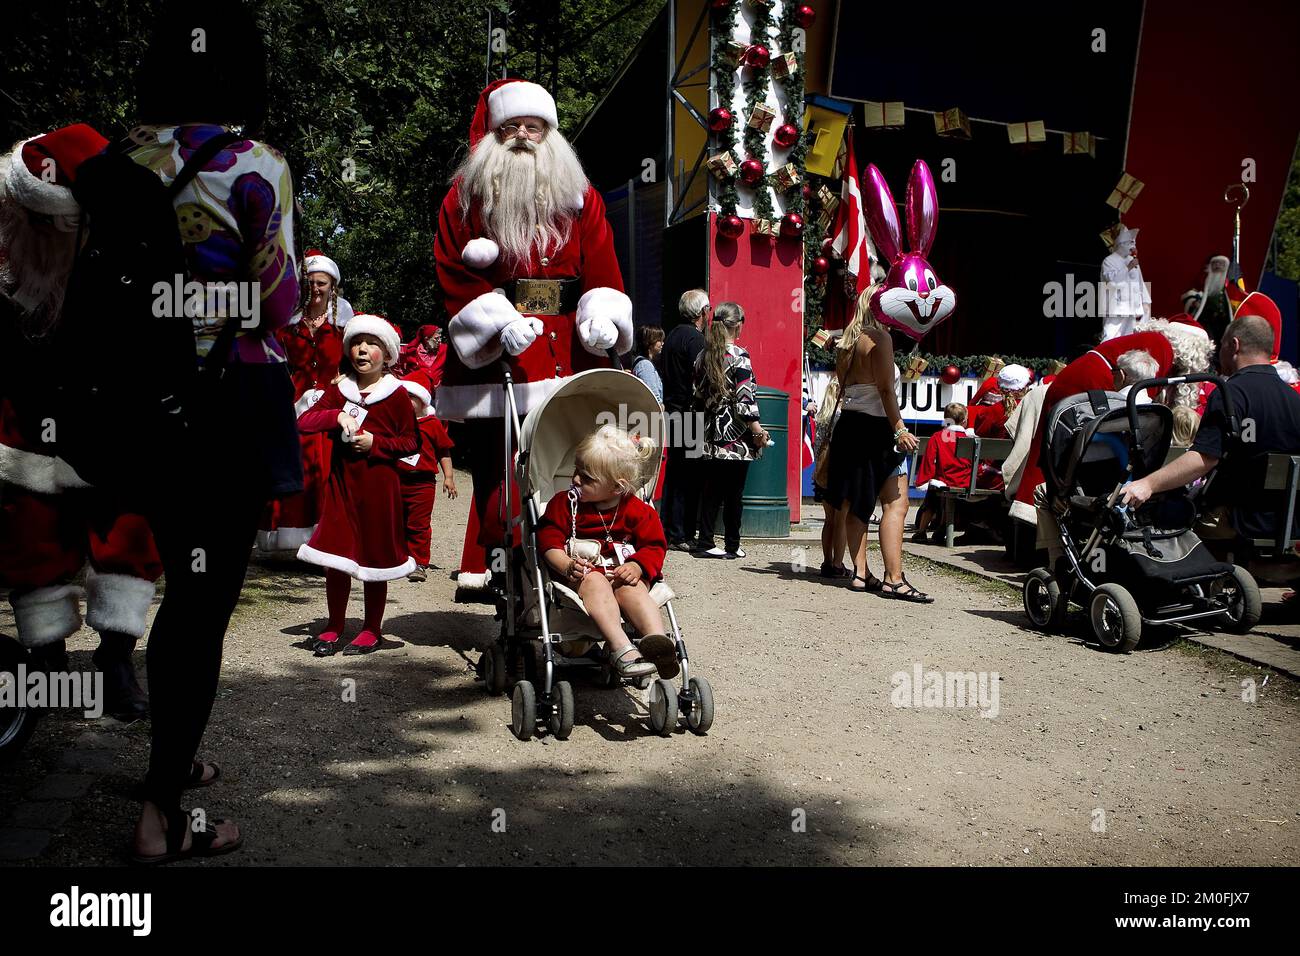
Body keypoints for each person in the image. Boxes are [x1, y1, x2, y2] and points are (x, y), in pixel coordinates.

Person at [113, 2, 304, 864]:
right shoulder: (256, 165)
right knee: (201, 606)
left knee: (175, 588)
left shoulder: (119, 162)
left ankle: (177, 760)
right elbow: (283, 300)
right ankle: (160, 820)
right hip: (228, 404)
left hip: (138, 405)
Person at [432, 78, 632, 592]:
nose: (523, 136)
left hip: (569, 351)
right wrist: (497, 323)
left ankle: (565, 569)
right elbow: (454, 271)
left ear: (551, 133)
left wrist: (602, 313)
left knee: (573, 466)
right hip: (502, 362)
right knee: (501, 481)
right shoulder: (464, 197)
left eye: (534, 127)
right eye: (512, 127)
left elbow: (603, 265)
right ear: (495, 135)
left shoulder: (579, 196)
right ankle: (507, 575)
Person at [0, 124, 161, 723]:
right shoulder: (9, 255)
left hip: (111, 419)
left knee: (127, 532)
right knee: (32, 536)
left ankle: (117, 656)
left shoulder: (125, 250)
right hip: (27, 421)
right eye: (36, 222)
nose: (48, 235)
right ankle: (44, 658)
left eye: (57, 223)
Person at [296, 317, 419, 654]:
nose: (362, 349)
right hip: (340, 487)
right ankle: (334, 625)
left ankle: (371, 629)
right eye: (356, 342)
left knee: (374, 557)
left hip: (380, 490)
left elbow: (411, 443)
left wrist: (375, 444)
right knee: (335, 555)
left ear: (388, 353)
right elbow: (305, 421)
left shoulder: (395, 395)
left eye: (372, 343)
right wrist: (335, 416)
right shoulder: (340, 390)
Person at [1121, 315, 1300, 544]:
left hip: (1233, 521)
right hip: (1287, 523)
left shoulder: (1230, 394)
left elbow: (1203, 459)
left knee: (1164, 513)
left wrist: (1148, 484)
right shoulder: (1294, 401)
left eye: (1222, 345)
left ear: (1234, 345)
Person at [535, 425, 677, 679]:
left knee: (633, 590)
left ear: (616, 488)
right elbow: (548, 542)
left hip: (623, 573)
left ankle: (657, 643)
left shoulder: (638, 511)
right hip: (583, 575)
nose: (576, 479)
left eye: (587, 478)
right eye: (576, 471)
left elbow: (654, 545)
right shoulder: (564, 504)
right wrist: (567, 565)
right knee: (595, 582)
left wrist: (638, 566)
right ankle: (621, 648)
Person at [825, 288, 930, 601]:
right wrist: (899, 430)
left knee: (860, 503)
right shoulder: (880, 339)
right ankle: (894, 578)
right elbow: (886, 390)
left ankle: (860, 572)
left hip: (850, 427)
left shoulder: (847, 343)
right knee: (896, 504)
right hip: (876, 429)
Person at [257, 250, 351, 555]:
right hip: (291, 402)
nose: (315, 288)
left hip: (331, 403)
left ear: (332, 286)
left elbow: (357, 359)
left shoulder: (344, 323)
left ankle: (325, 541)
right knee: (293, 465)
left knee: (326, 472)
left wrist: (344, 380)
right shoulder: (288, 322)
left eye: (321, 282)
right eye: (310, 281)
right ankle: (289, 541)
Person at [692, 302, 768, 559]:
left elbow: (698, 395)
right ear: (738, 325)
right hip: (736, 436)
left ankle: (704, 542)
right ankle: (732, 546)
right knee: (734, 493)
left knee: (710, 490)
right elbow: (745, 399)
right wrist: (757, 432)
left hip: (710, 433)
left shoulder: (702, 356)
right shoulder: (739, 356)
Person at [661, 289, 710, 550]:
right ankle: (681, 533)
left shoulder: (671, 337)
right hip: (690, 413)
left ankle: (670, 528)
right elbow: (702, 378)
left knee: (676, 471)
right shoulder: (696, 340)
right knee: (689, 476)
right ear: (702, 312)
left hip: (673, 411)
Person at [397, 375, 457, 582]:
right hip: (396, 480)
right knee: (395, 520)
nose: (405, 401)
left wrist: (448, 477)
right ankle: (396, 560)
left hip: (422, 483)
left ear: (422, 401)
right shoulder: (394, 423)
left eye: (411, 396)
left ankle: (418, 562)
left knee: (418, 523)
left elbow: (444, 452)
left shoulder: (432, 424)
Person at [911, 403, 974, 542]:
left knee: (932, 497)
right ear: (964, 421)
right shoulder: (971, 439)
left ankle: (921, 531)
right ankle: (942, 528)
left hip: (944, 480)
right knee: (949, 498)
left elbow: (929, 460)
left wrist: (924, 479)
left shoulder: (938, 436)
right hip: (965, 481)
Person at [812, 376, 849, 577]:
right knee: (841, 520)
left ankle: (826, 561)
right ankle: (838, 564)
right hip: (841, 472)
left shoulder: (823, 415)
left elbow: (817, 446)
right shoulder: (845, 415)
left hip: (823, 472)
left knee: (829, 520)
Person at [1099, 226, 1150, 340]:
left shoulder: (1132, 261)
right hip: (1116, 307)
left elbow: (1140, 282)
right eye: (1128, 244)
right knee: (1110, 335)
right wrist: (1128, 267)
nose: (1132, 247)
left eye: (1133, 244)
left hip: (1132, 306)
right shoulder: (1109, 261)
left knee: (1128, 337)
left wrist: (1145, 301)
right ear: (1120, 245)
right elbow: (1111, 281)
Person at [395, 323, 447, 389]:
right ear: (427, 339)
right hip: (417, 391)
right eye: (436, 338)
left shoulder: (444, 349)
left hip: (437, 393)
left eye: (440, 338)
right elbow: (399, 368)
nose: (439, 341)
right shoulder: (411, 351)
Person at [630, 325, 665, 404]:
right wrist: (660, 405)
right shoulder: (645, 365)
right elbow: (652, 396)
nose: (662, 343)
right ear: (649, 342)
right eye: (659, 340)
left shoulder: (641, 362)